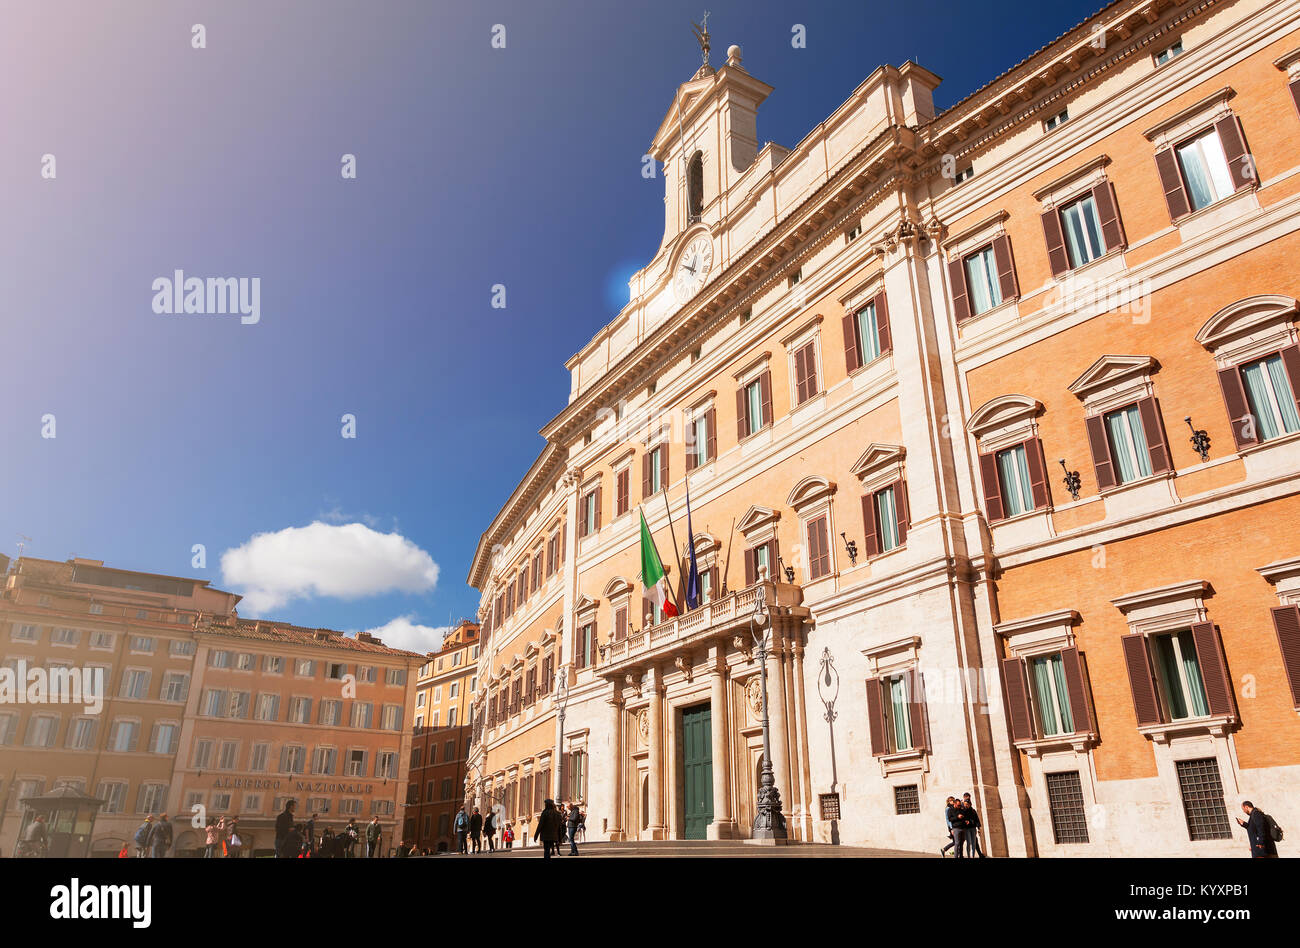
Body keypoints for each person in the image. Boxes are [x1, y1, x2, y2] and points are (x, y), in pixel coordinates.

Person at [961, 793, 986, 858]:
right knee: (968, 842)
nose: (968, 799)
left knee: (974, 842)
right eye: (967, 797)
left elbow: (977, 819)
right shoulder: (962, 808)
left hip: (973, 827)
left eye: (969, 798)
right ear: (964, 797)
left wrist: (979, 827)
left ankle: (974, 855)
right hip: (966, 828)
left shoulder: (973, 810)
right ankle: (964, 855)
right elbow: (960, 817)